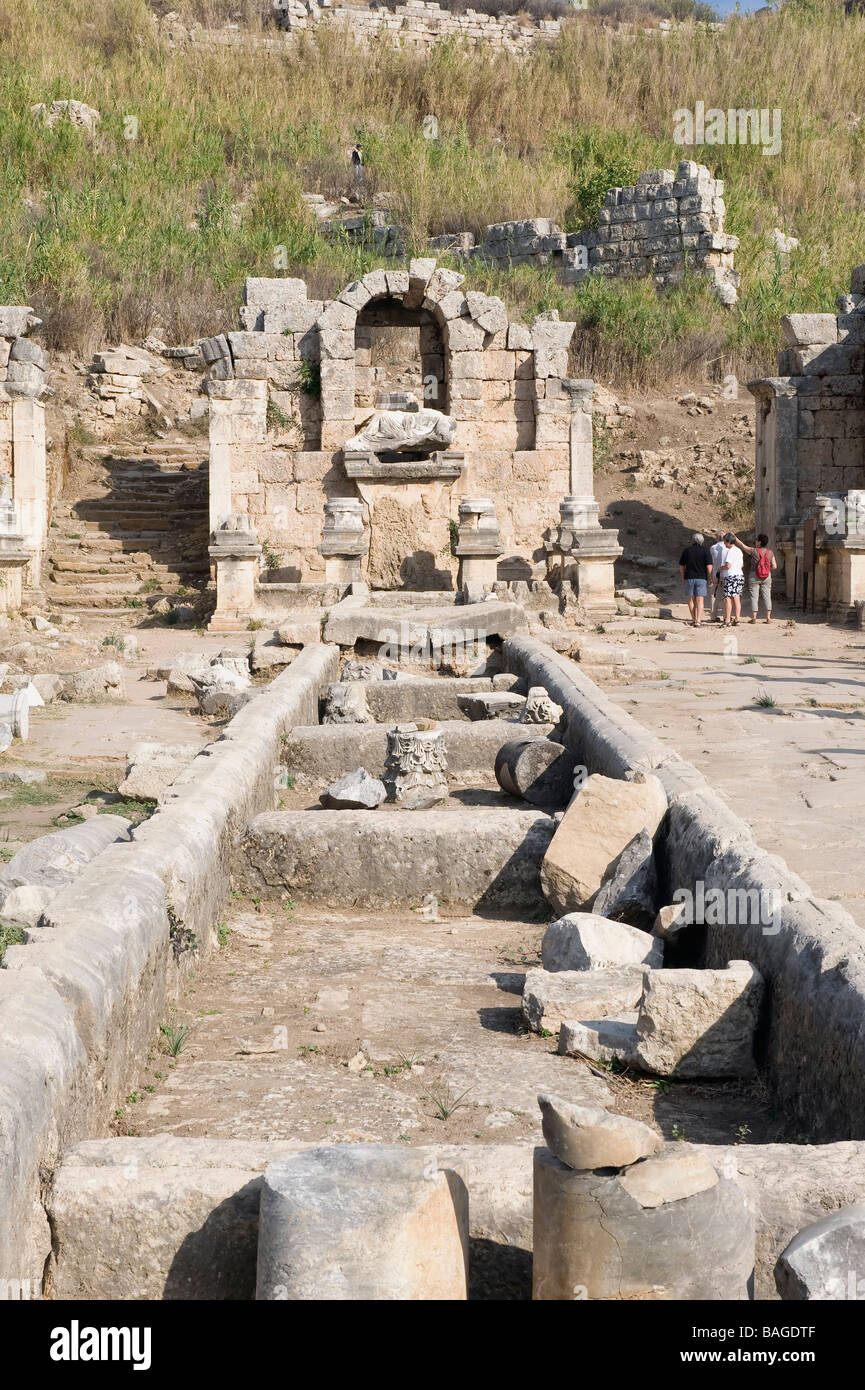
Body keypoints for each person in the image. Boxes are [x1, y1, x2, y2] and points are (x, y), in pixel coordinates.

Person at [732, 531, 777, 623]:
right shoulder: (770, 552)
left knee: (754, 596)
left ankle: (754, 618)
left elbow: (742, 546)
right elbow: (775, 566)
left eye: (756, 540)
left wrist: (734, 537)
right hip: (767, 576)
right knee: (767, 596)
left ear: (759, 542)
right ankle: (768, 618)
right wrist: (766, 570)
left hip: (754, 575)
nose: (755, 542)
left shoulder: (754, 551)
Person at [678, 531, 713, 627]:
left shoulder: (687, 550)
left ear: (693, 540)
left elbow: (681, 566)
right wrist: (710, 578)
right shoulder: (705, 550)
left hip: (689, 577)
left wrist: (683, 577)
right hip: (702, 578)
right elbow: (709, 566)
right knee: (700, 599)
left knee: (691, 599)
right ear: (702, 541)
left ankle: (693, 619)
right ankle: (698, 620)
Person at [717, 531, 745, 626]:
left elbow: (728, 565)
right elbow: (742, 565)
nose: (724, 543)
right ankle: (737, 619)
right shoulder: (739, 550)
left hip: (731, 576)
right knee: (736, 598)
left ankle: (727, 620)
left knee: (727, 598)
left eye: (725, 541)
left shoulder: (730, 551)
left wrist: (720, 568)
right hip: (739, 575)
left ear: (728, 542)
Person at [709, 531, 726, 622]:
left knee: (713, 595)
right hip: (726, 574)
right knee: (725, 595)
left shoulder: (712, 548)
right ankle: (725, 616)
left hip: (715, 573)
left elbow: (711, 562)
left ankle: (713, 616)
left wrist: (710, 576)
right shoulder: (728, 548)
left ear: (717, 538)